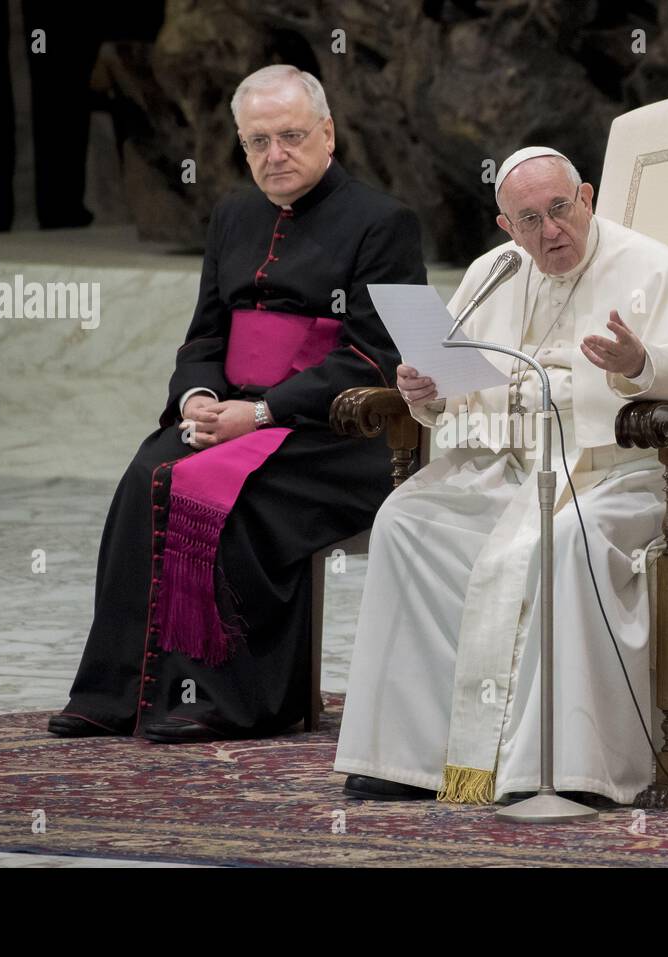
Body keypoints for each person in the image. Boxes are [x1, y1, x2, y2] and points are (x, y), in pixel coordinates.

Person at [333, 147, 668, 804]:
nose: (549, 231)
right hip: (515, 464)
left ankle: (571, 768)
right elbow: (459, 389)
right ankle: (411, 757)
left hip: (628, 471)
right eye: (528, 220)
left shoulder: (654, 268)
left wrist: (642, 362)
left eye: (560, 209)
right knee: (407, 521)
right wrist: (426, 389)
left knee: (567, 539)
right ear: (507, 227)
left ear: (586, 197)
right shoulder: (494, 273)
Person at [49, 65, 425, 743]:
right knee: (146, 476)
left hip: (335, 430)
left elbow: (375, 355)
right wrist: (197, 396)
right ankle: (119, 692)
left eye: (290, 136)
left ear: (328, 134)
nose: (274, 154)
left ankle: (236, 697)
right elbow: (206, 333)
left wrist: (264, 412)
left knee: (230, 494)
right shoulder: (232, 213)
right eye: (257, 141)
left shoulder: (383, 222)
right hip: (230, 413)